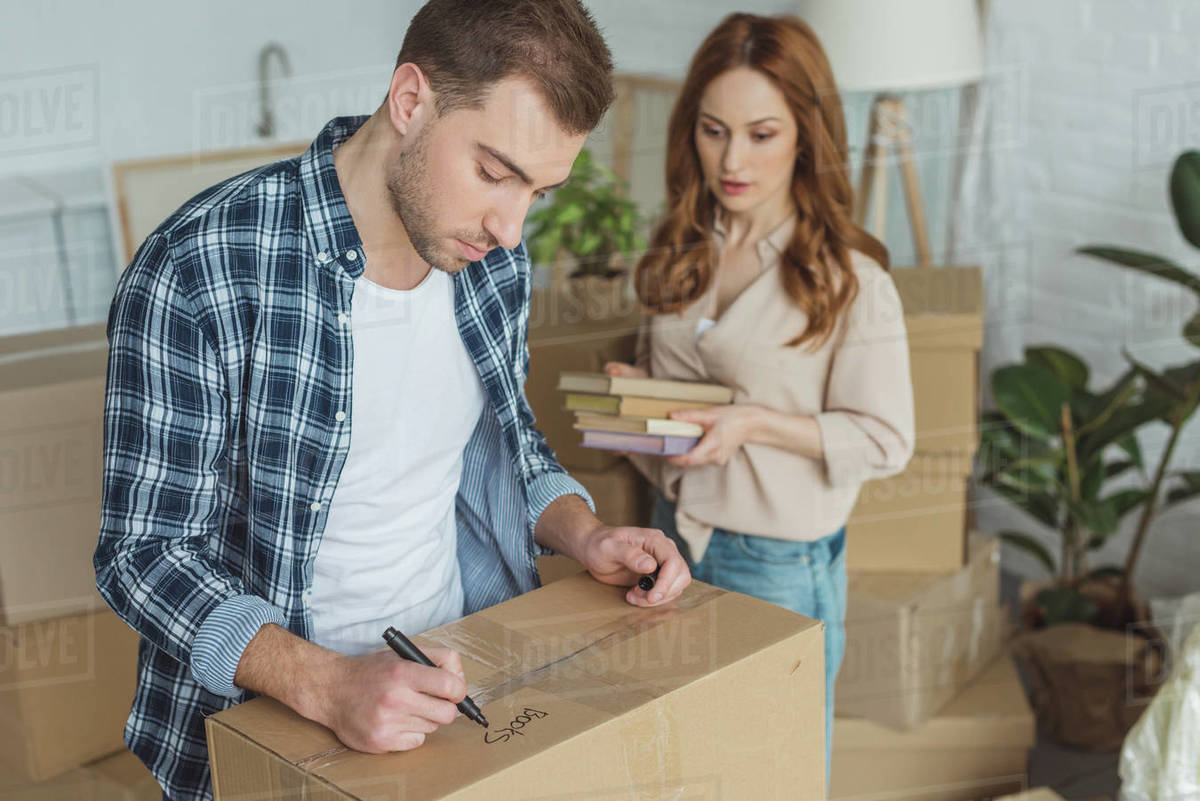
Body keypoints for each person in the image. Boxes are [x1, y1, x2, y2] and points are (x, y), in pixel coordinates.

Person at [95, 2, 691, 799]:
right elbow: (144, 554)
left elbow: (503, 440)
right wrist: (328, 683)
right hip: (276, 717)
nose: (511, 228)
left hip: (459, 681)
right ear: (411, 100)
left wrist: (583, 532)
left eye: (538, 193)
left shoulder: (488, 260)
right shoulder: (200, 268)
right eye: (494, 171)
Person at [605, 12, 915, 773]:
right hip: (664, 539)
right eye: (713, 131)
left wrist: (754, 424)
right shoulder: (681, 248)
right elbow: (681, 408)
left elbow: (886, 439)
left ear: (805, 135)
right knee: (678, 767)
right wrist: (639, 399)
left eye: (761, 134)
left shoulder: (850, 281)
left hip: (774, 565)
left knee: (771, 773)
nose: (732, 158)